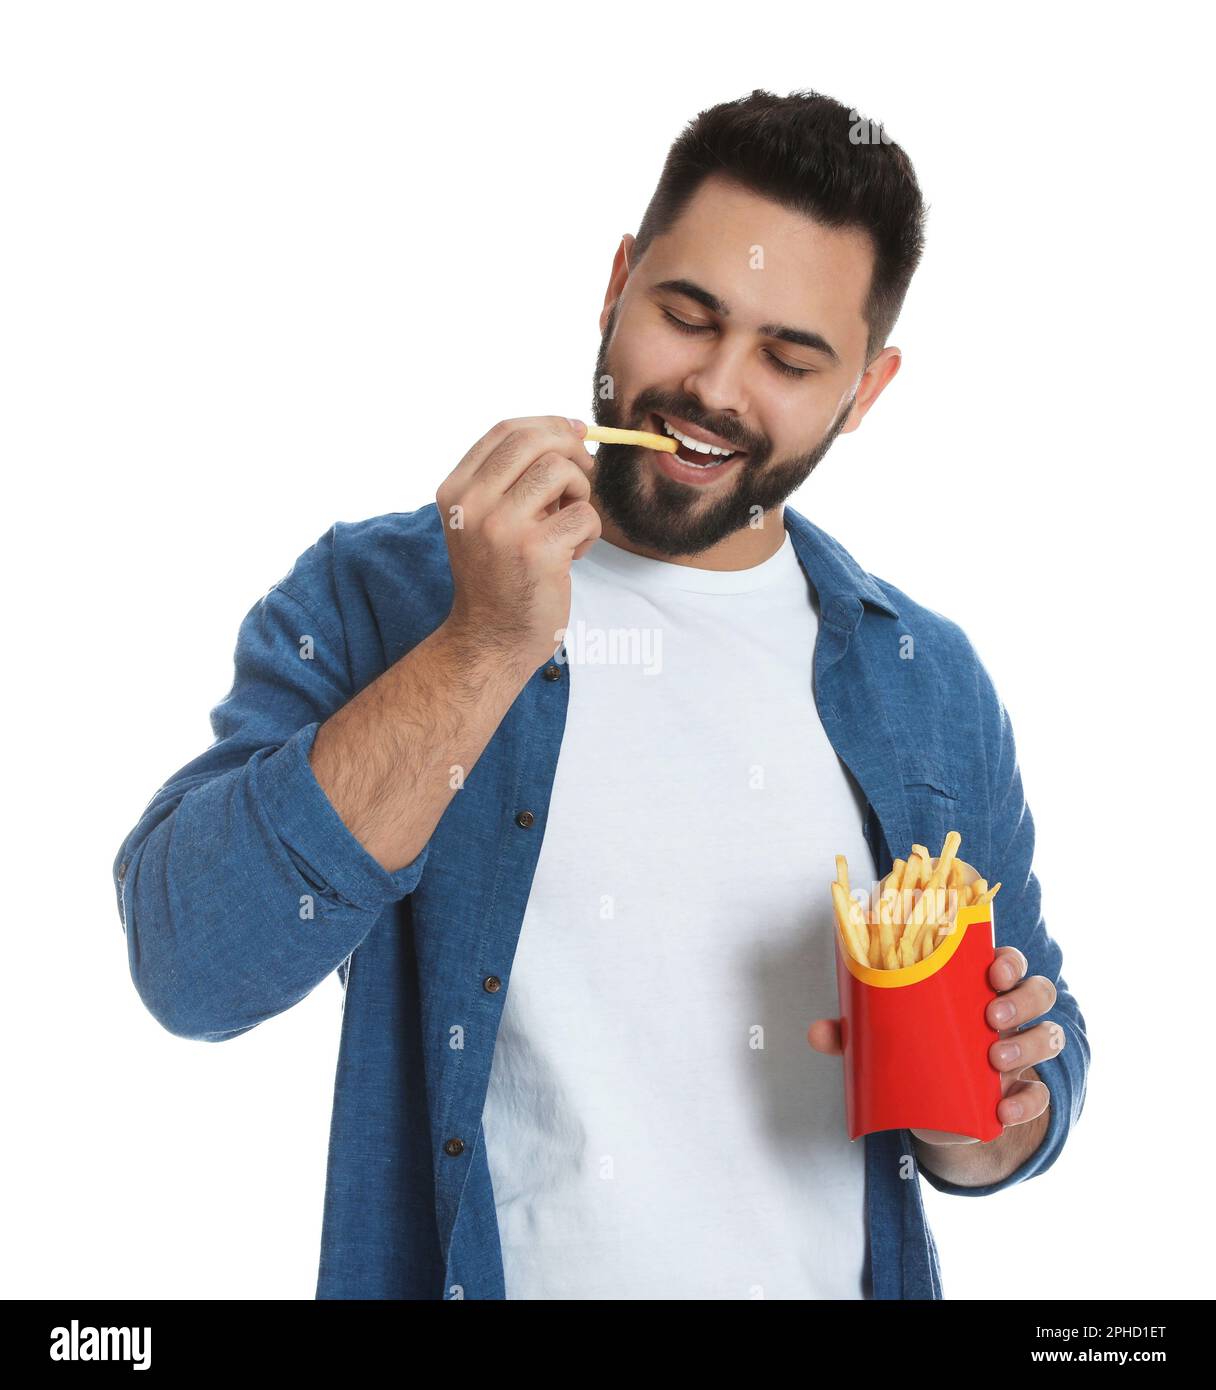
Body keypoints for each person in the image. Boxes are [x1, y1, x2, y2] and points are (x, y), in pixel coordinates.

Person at [112, 87, 1089, 1300]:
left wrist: (991, 1121)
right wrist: (477, 649)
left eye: (790, 358)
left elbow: (1023, 1069)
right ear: (618, 280)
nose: (717, 390)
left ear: (865, 391)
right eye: (687, 315)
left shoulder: (925, 681)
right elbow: (189, 964)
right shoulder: (379, 596)